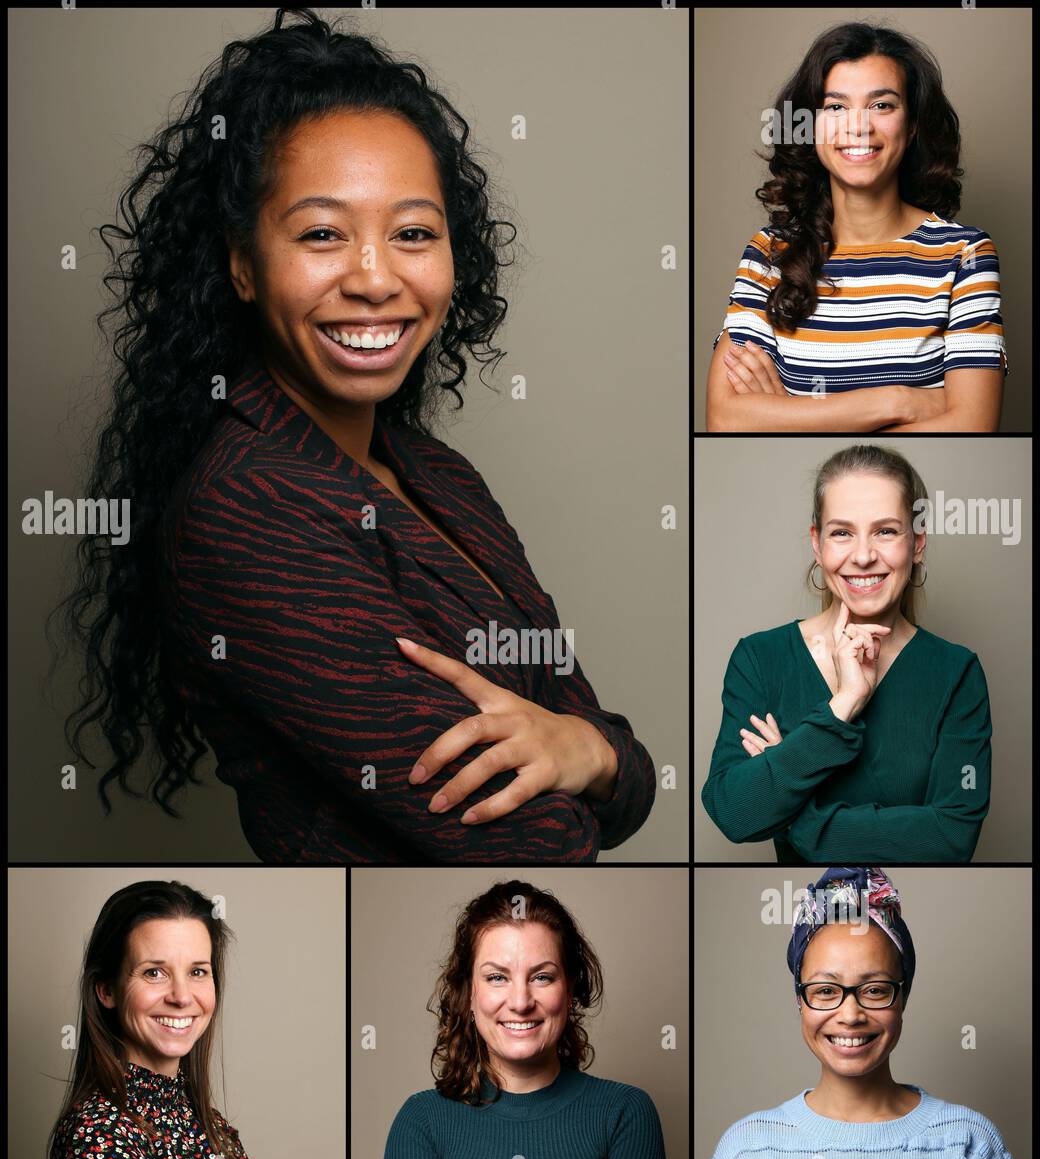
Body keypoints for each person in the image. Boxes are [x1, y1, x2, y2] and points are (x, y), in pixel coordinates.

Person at [57, 11, 655, 863]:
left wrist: (591, 751)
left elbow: (619, 766)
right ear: (240, 263)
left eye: (413, 232)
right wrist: (592, 757)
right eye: (322, 234)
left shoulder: (441, 476)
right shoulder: (246, 507)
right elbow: (539, 839)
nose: (375, 279)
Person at [695, 867, 1029, 1159]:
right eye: (825, 990)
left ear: (902, 997)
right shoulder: (746, 1153)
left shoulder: (972, 1146)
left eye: (874, 990)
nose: (850, 1014)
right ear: (800, 999)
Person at [705, 22, 1007, 433]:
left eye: (881, 105)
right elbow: (725, 420)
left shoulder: (966, 254)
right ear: (810, 127)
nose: (858, 127)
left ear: (913, 124)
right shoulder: (768, 254)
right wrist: (898, 401)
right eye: (835, 107)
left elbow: (973, 428)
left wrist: (788, 418)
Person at [367, 881, 668, 1159]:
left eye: (542, 977)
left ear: (571, 988)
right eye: (497, 978)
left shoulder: (625, 1113)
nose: (521, 1001)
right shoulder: (423, 1119)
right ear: (468, 994)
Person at [701, 444, 991, 864]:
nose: (862, 555)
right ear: (817, 545)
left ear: (918, 543)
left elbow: (952, 837)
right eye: (842, 532)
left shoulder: (956, 672)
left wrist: (793, 812)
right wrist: (843, 706)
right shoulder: (759, 658)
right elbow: (733, 811)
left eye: (886, 531)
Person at [47, 881, 297, 1159]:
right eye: (154, 972)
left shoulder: (216, 1130)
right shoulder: (97, 1136)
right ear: (107, 989)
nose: (182, 996)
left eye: (198, 971)